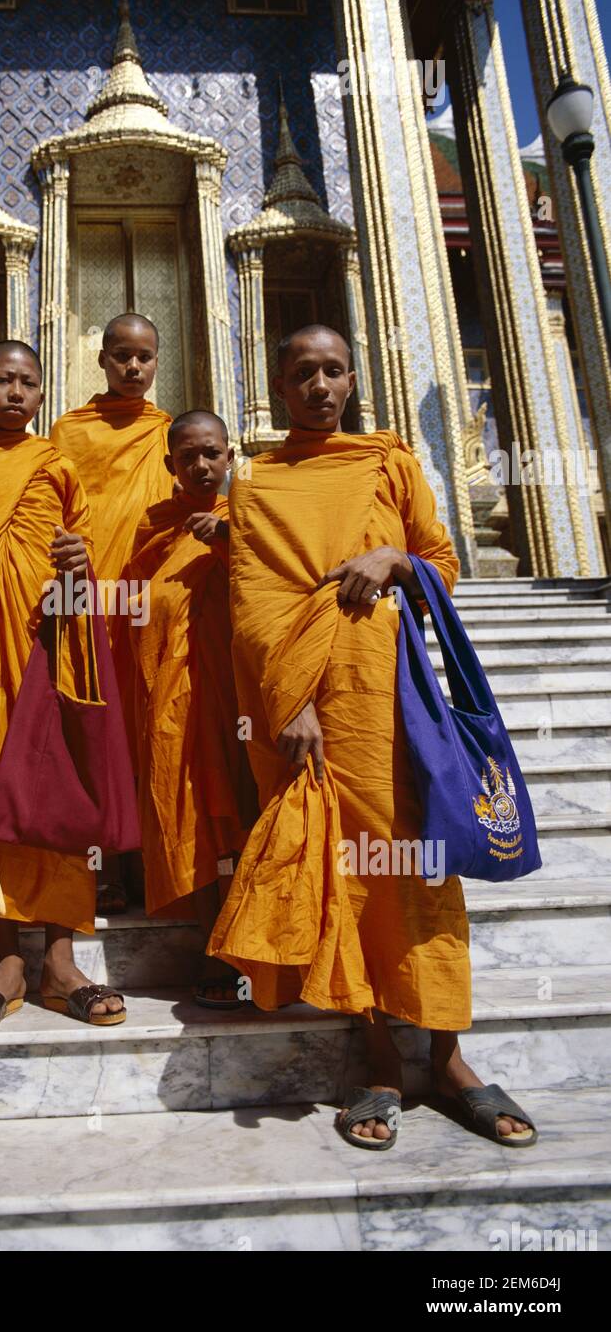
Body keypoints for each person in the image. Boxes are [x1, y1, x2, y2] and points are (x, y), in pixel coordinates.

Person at [209, 324, 537, 1150]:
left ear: (352, 379)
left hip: (398, 707)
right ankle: (379, 1055)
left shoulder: (386, 461)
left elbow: (442, 564)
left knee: (424, 873)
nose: (319, 385)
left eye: (333, 371)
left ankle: (452, 1055)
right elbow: (253, 609)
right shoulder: (254, 484)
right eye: (302, 372)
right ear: (278, 386)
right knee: (346, 876)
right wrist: (289, 704)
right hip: (314, 716)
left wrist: (395, 558)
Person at [0, 340, 126, 1030]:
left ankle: (59, 957)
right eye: (1, 380)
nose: (14, 392)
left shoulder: (55, 468)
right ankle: (3, 957)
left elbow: (79, 560)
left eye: (26, 382)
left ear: (41, 395)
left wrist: (81, 564)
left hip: (49, 658)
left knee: (57, 797)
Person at [120, 410, 254, 1005]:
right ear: (171, 465)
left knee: (242, 820)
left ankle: (252, 947)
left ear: (230, 457)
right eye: (188, 457)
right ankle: (212, 946)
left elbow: (283, 591)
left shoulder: (253, 521)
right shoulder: (155, 527)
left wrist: (230, 545)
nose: (201, 465)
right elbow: (134, 604)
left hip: (240, 704)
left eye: (212, 454)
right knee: (193, 820)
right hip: (174, 703)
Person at [49, 312, 175, 911]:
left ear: (157, 362)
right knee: (95, 736)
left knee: (146, 733)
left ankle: (146, 862)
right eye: (121, 355)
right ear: (100, 359)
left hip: (148, 608)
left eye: (144, 357)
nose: (132, 367)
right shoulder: (71, 431)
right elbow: (51, 511)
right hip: (86, 604)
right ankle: (98, 865)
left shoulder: (169, 434)